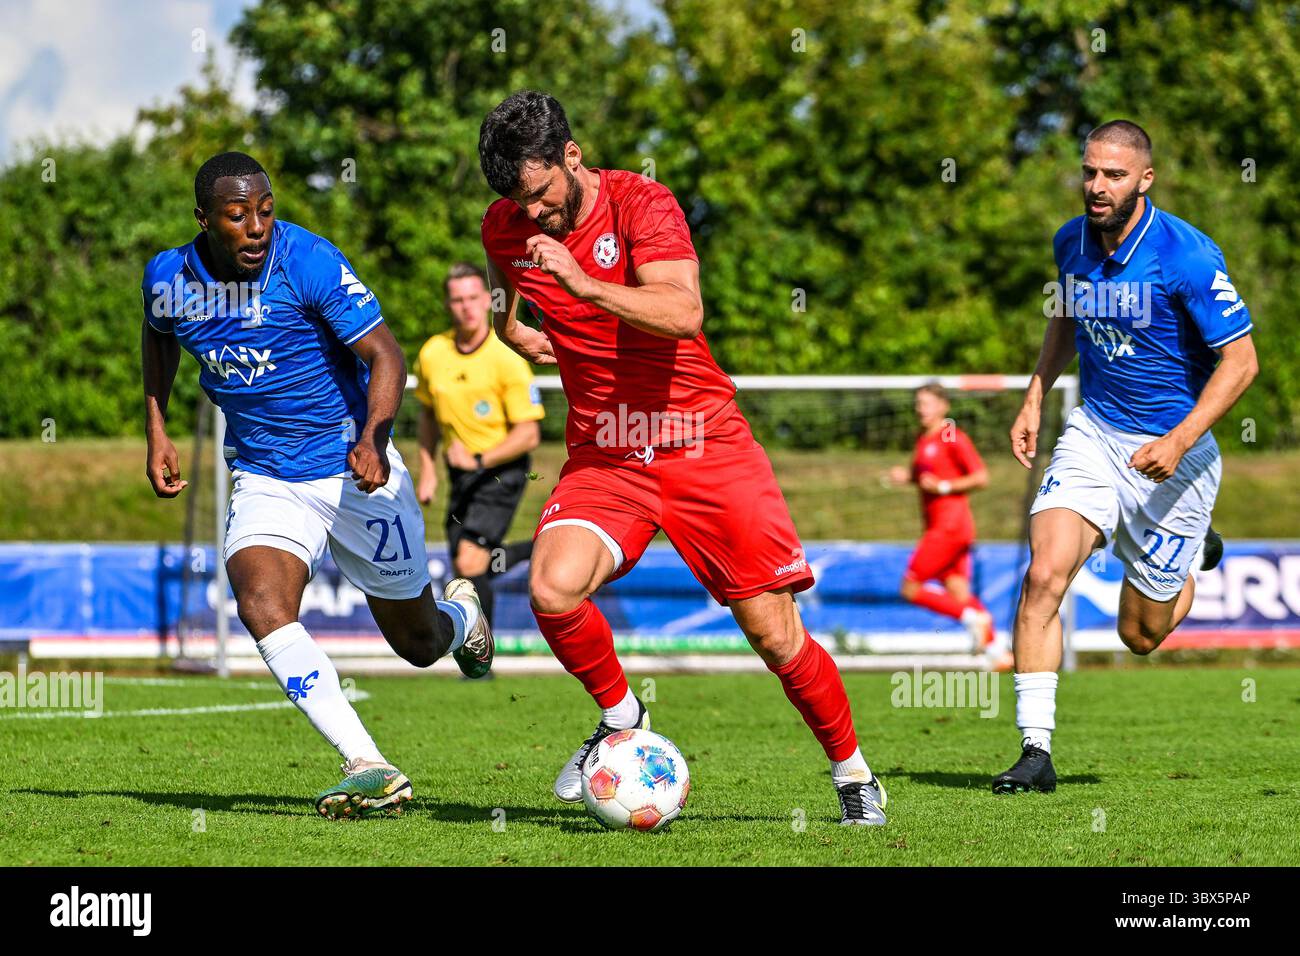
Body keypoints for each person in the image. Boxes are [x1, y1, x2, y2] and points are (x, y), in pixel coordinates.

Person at [479, 90, 887, 825]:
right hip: (607, 453)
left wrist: (582, 282)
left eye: (540, 196)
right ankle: (620, 713)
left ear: (573, 157)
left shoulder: (644, 204)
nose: (531, 214)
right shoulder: (505, 225)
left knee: (773, 633)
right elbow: (515, 293)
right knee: (552, 588)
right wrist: (515, 329)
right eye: (517, 201)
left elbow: (682, 311)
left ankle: (852, 770)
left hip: (701, 443)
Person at [141, 151, 494, 818]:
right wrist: (156, 427)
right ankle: (370, 764)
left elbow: (384, 353)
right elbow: (158, 335)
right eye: (237, 216)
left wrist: (375, 437)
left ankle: (460, 616)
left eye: (265, 211)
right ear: (203, 220)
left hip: (352, 470)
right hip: (266, 475)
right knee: (260, 603)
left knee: (418, 645)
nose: (256, 227)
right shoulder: (169, 277)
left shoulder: (307, 261)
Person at [996, 121, 1257, 794]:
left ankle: (1190, 553)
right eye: (1089, 171)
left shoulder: (1188, 257)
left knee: (1139, 635)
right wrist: (1034, 396)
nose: (1096, 186)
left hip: (1176, 460)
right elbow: (1064, 316)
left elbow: (1241, 361)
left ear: (1145, 180)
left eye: (1113, 175)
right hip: (1095, 433)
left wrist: (1179, 440)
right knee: (1044, 574)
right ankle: (1034, 752)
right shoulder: (1070, 241)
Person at [413, 262, 545, 626]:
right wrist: (428, 471)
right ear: (447, 304)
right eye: (457, 300)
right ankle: (539, 551)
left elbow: (529, 434)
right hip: (461, 473)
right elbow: (427, 415)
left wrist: (479, 457)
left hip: (501, 471)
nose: (466, 307)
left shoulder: (507, 358)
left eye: (473, 297)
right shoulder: (432, 353)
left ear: (489, 300)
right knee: (466, 566)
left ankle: (479, 658)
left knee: (471, 561)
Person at [886, 383, 1008, 665]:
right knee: (958, 592)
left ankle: (972, 619)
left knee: (910, 588)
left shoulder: (951, 436)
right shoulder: (923, 438)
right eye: (918, 403)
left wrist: (943, 487)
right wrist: (907, 477)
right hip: (943, 527)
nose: (920, 409)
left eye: (926, 403)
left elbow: (981, 477)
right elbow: (928, 476)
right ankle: (998, 655)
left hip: (949, 528)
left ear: (943, 406)